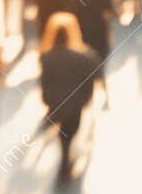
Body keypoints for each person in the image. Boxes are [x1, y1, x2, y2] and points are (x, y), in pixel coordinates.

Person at [39, 12, 103, 178]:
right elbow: (94, 73)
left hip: (56, 101)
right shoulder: (83, 57)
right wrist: (87, 97)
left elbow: (45, 82)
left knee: (64, 132)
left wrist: (48, 99)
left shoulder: (47, 57)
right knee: (70, 129)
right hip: (76, 103)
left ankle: (65, 158)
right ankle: (66, 161)